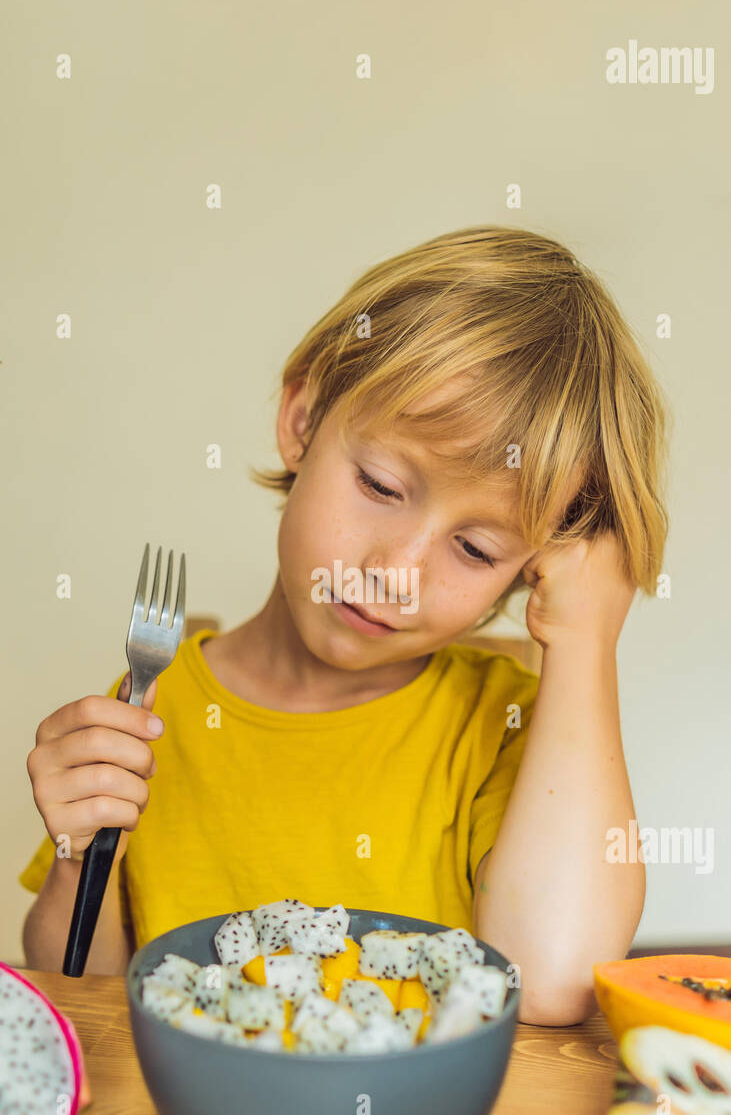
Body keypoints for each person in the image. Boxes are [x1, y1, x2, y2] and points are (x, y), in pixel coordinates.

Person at [21, 225, 667, 1024]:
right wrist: (77, 851)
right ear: (301, 417)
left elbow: (557, 977)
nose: (396, 571)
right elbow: (81, 994)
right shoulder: (151, 707)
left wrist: (583, 643)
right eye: (381, 485)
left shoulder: (509, 729)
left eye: (473, 548)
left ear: (531, 567)